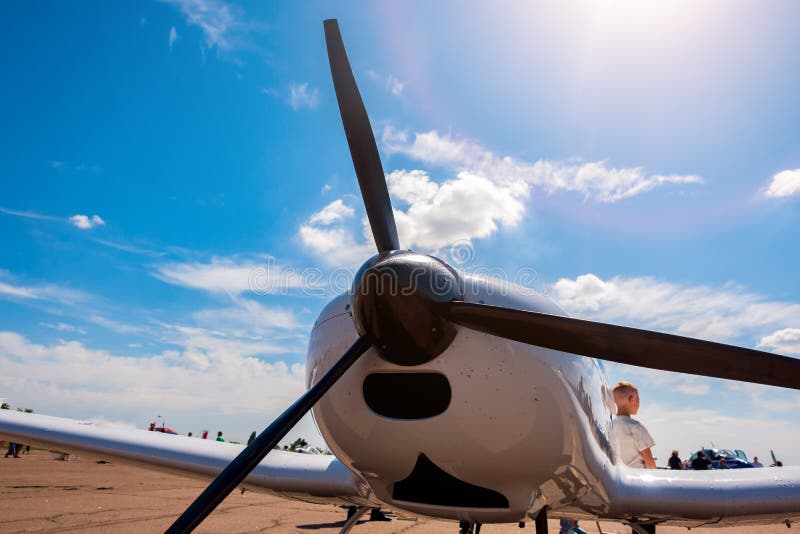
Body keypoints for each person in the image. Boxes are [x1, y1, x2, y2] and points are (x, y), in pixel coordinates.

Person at [611, 381, 656, 469]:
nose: (639, 404)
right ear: (631, 399)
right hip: (637, 477)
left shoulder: (610, 426)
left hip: (619, 478)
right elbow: (649, 462)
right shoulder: (636, 427)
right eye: (638, 400)